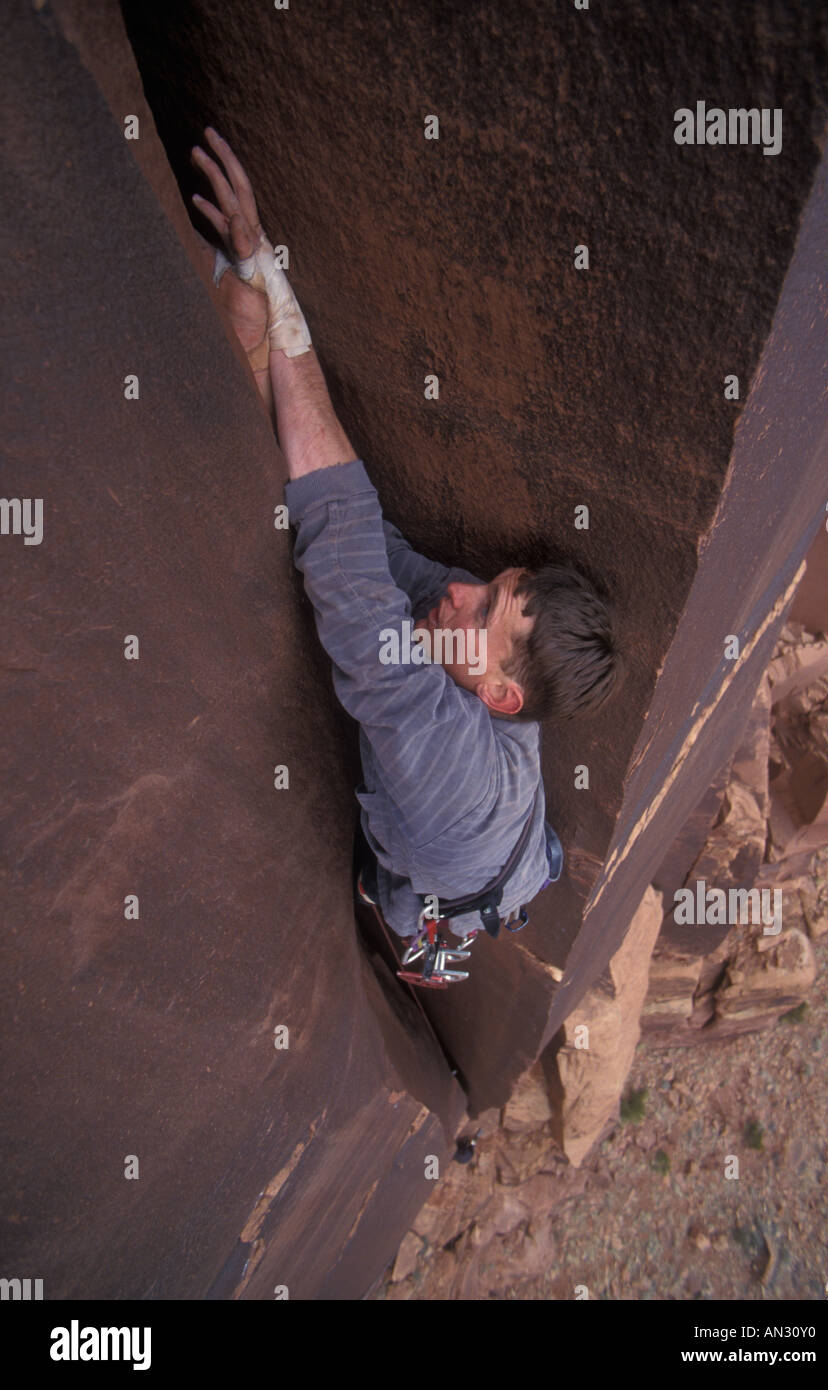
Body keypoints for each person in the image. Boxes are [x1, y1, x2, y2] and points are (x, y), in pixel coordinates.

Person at [189, 129, 620, 981]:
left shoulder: (450, 770)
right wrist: (256, 341)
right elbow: (357, 532)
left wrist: (273, 298)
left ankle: (413, 920)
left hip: (457, 852)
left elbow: (351, 585)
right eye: (490, 585)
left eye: (480, 611)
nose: (457, 590)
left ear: (500, 694)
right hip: (499, 832)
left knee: (396, 881)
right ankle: (466, 906)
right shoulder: (474, 655)